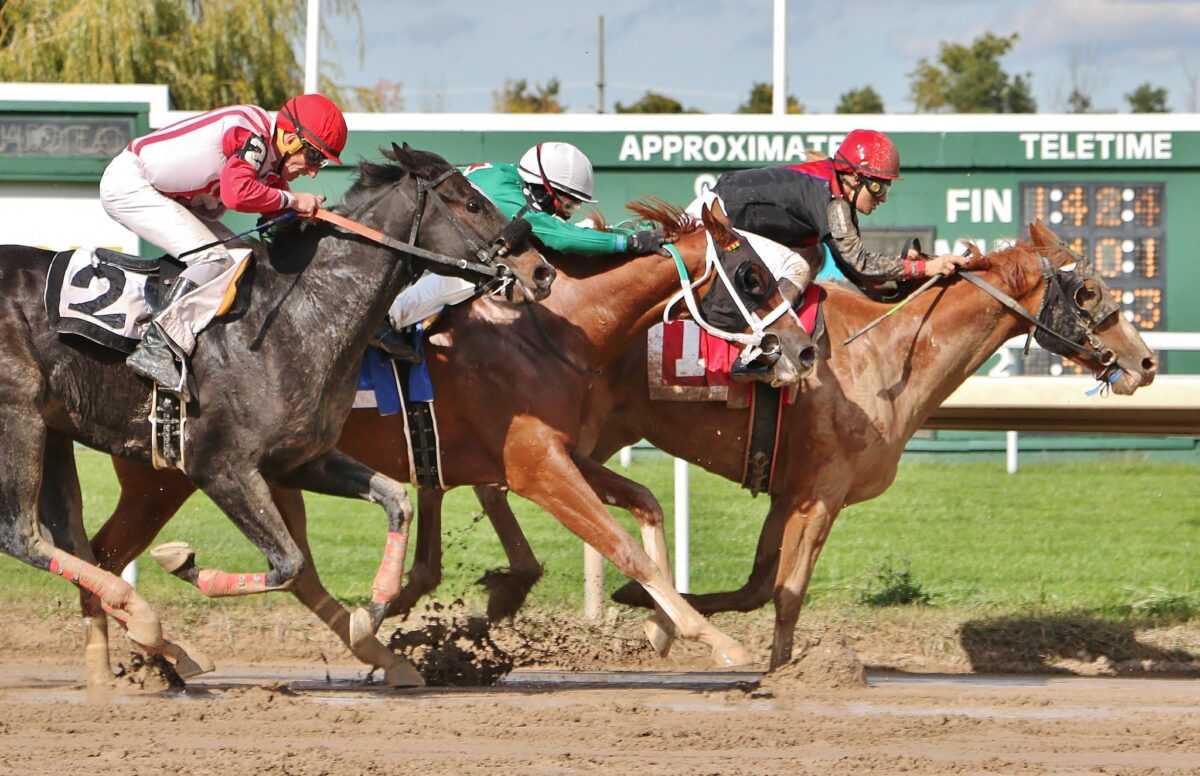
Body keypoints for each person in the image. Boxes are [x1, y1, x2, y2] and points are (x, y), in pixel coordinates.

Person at [99, 93, 348, 389]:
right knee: (214, 259)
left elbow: (273, 203)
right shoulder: (254, 135)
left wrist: (301, 211)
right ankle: (158, 345)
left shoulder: (269, 156)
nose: (314, 170)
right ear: (292, 138)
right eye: (315, 156)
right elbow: (237, 193)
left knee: (243, 257)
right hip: (131, 185)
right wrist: (294, 200)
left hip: (163, 194)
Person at [696, 128, 971, 378]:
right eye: (878, 186)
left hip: (729, 220)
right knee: (800, 264)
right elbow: (860, 263)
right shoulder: (831, 201)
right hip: (716, 222)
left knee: (812, 254)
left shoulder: (834, 190)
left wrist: (909, 273)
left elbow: (857, 273)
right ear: (852, 177)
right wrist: (923, 269)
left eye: (886, 187)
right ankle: (759, 349)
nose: (883, 197)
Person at [377, 142, 666, 360]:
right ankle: (392, 319)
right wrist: (629, 243)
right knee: (470, 276)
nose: (567, 213)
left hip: (419, 241)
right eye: (567, 204)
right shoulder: (509, 199)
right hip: (405, 247)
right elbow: (561, 238)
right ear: (542, 189)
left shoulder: (511, 177)